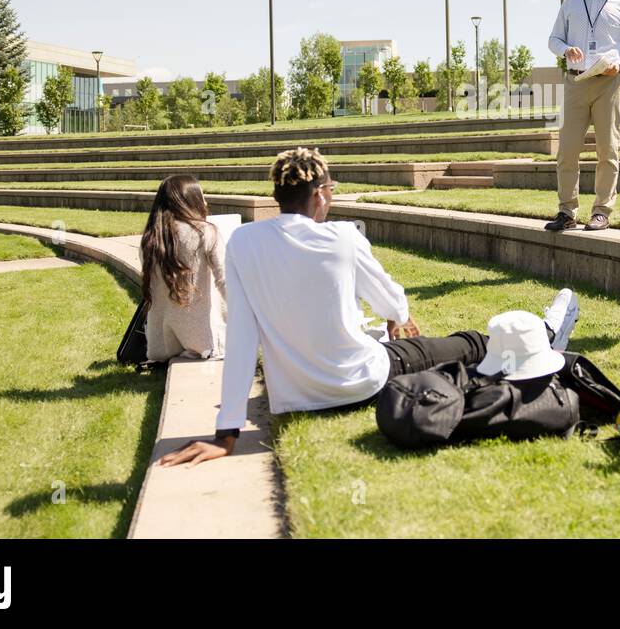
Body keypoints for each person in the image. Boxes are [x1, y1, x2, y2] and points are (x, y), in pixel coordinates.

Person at [158, 147, 581, 466]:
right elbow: (390, 298)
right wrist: (398, 314)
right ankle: (546, 336)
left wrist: (226, 433)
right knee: (467, 344)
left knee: (411, 349)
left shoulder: (243, 242)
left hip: (296, 397)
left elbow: (242, 336)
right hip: (361, 380)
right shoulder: (342, 236)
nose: (330, 198)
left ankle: (533, 344)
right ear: (319, 195)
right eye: (330, 191)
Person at [544, 0, 620, 233]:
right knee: (567, 150)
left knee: (607, 150)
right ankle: (567, 212)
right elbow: (553, 39)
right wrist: (566, 49)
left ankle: (601, 211)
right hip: (575, 82)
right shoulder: (570, 5)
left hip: (609, 83)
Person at [140, 175, 227, 362]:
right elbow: (225, 281)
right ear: (190, 200)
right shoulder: (206, 232)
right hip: (204, 343)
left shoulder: (150, 239)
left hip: (161, 345)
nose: (205, 202)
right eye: (201, 196)